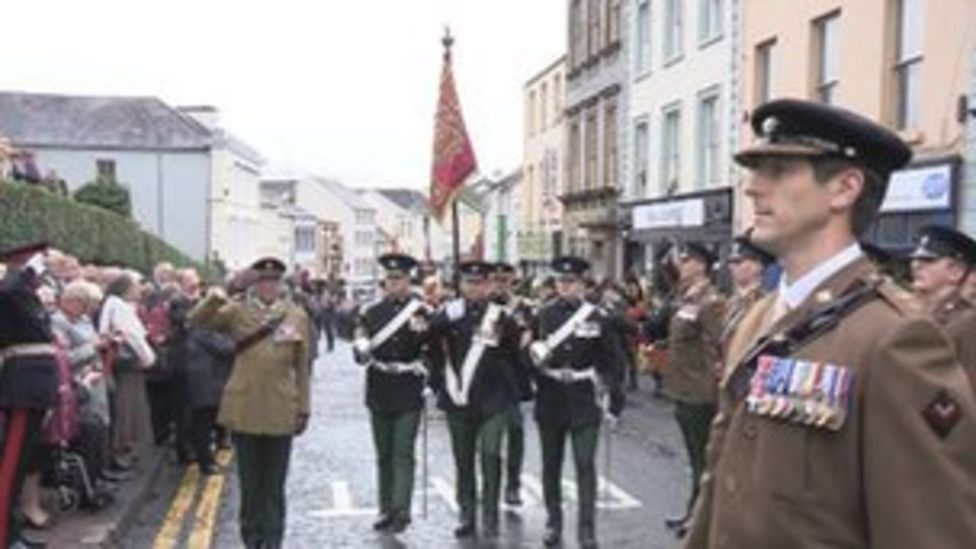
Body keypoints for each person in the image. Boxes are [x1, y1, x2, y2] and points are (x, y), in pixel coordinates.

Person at [684, 99, 976, 549]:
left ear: (844, 188)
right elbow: (720, 478)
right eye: (756, 169)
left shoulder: (895, 338)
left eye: (778, 170)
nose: (753, 188)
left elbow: (927, 531)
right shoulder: (760, 315)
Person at [188, 257, 311, 549]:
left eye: (273, 282)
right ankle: (251, 538)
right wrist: (215, 297)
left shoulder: (296, 315)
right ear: (255, 284)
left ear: (280, 285)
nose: (268, 287)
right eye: (263, 281)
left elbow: (302, 367)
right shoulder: (237, 311)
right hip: (245, 404)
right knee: (250, 483)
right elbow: (196, 321)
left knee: (274, 485)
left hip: (281, 405)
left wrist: (304, 408)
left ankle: (273, 540)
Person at [528, 256, 625, 549]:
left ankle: (586, 529)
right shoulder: (542, 316)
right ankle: (553, 522)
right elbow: (527, 355)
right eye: (560, 282)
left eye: (571, 282)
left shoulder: (599, 318)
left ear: (582, 284)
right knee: (551, 464)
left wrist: (614, 402)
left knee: (585, 464)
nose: (565, 287)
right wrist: (535, 360)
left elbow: (613, 361)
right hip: (551, 397)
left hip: (584, 399)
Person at [427, 260, 521, 539]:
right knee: (463, 459)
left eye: (480, 283)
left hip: (493, 397)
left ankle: (490, 513)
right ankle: (467, 513)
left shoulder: (502, 316)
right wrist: (436, 382)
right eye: (469, 282)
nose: (474, 288)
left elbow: (513, 352)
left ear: (489, 285)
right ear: (461, 285)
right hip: (459, 397)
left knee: (491, 455)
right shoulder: (448, 314)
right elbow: (432, 346)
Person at [352, 253, 431, 534]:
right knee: (383, 452)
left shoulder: (423, 312)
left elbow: (432, 349)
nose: (394, 284)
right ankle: (385, 507)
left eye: (399, 279)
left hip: (408, 386)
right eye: (390, 279)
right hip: (380, 385)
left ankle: (402, 509)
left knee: (403, 451)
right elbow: (360, 344)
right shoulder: (371, 312)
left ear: (409, 280)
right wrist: (360, 347)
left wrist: (427, 370)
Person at [663, 242, 725, 538]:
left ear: (701, 265)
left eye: (687, 261)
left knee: (703, 459)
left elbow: (719, 344)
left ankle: (699, 518)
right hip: (682, 388)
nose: (681, 265)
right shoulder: (686, 298)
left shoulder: (710, 301)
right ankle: (694, 512)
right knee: (694, 458)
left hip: (700, 391)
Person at [0, 243, 59, 549]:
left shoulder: (22, 292)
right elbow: (10, 289)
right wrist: (29, 268)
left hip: (33, 384)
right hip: (23, 383)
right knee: (9, 470)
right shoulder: (10, 287)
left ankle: (12, 534)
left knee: (19, 466)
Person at [99, 272, 156, 469]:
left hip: (123, 365)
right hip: (127, 366)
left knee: (127, 407)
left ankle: (123, 449)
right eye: (135, 286)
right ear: (126, 289)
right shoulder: (119, 307)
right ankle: (121, 449)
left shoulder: (113, 304)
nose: (139, 289)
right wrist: (149, 359)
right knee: (126, 407)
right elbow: (133, 337)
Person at [909, 225, 976, 391]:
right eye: (916, 259)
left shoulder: (968, 323)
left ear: (956, 271)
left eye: (928, 260)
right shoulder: (919, 315)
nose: (916, 264)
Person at [490, 261, 534, 507]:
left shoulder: (523, 307)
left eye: (504, 281)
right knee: (488, 437)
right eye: (496, 280)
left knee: (515, 430)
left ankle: (513, 485)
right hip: (485, 378)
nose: (500, 285)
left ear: (511, 281)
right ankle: (491, 484)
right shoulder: (483, 306)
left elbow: (529, 333)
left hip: (512, 379)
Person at [720, 235, 773, 355]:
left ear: (757, 266)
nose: (732, 267)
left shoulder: (765, 302)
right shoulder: (732, 300)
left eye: (738, 262)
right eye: (731, 262)